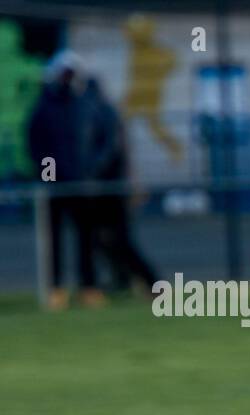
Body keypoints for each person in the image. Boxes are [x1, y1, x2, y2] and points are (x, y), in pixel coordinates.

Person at [27, 51, 105, 308]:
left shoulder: (84, 105)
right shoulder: (44, 107)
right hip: (56, 186)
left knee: (86, 238)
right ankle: (56, 288)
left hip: (82, 184)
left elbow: (97, 141)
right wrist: (50, 176)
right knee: (54, 240)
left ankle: (89, 287)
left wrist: (90, 171)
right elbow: (38, 146)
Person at [84, 76, 158, 293]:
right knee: (106, 240)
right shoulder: (106, 113)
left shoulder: (102, 115)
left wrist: (92, 173)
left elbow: (112, 152)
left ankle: (151, 282)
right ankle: (124, 280)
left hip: (111, 191)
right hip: (111, 189)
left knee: (118, 240)